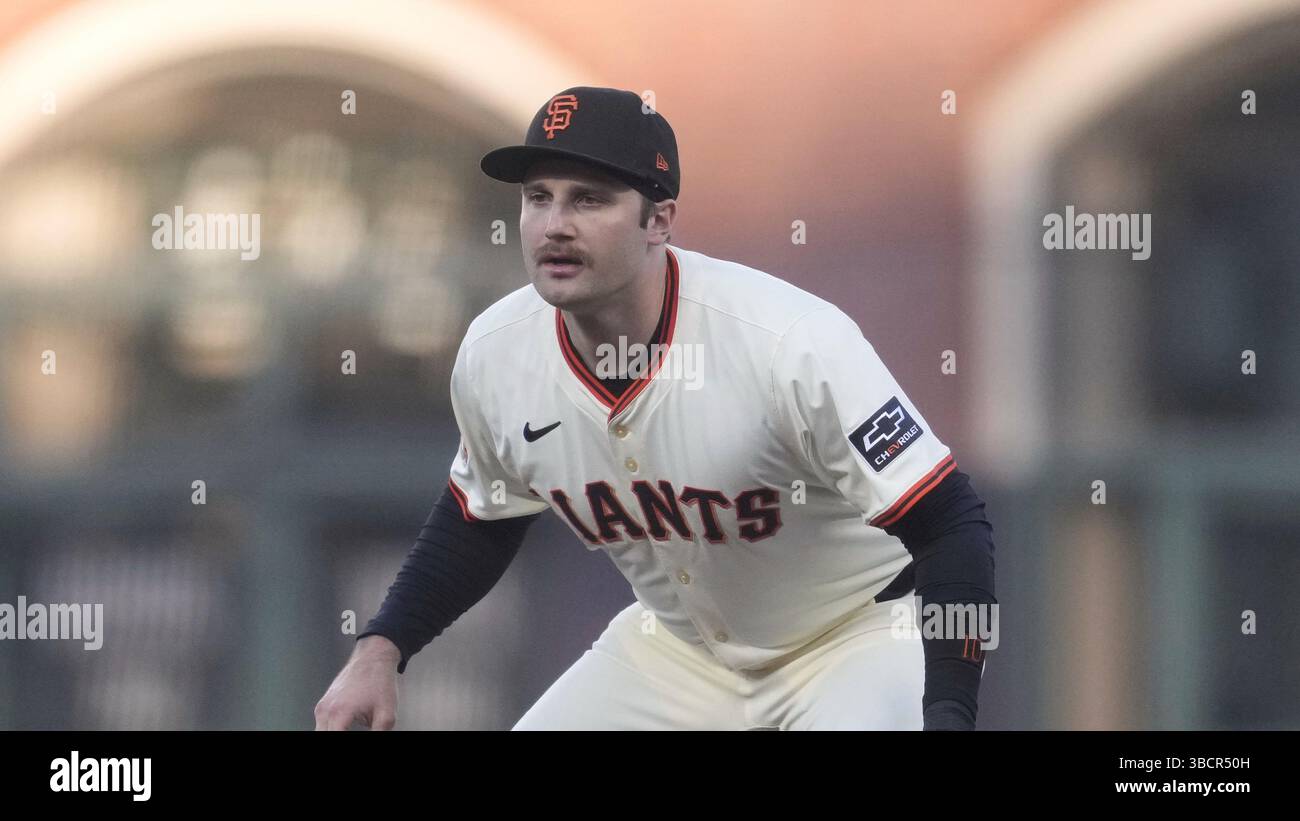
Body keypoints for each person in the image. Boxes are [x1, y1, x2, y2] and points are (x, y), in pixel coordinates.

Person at [314, 86, 996, 731]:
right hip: (679, 651)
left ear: (659, 219)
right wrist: (381, 649)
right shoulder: (498, 353)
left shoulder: (783, 341)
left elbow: (951, 523)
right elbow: (478, 518)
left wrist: (950, 716)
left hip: (853, 634)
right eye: (538, 198)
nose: (554, 225)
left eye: (589, 200)